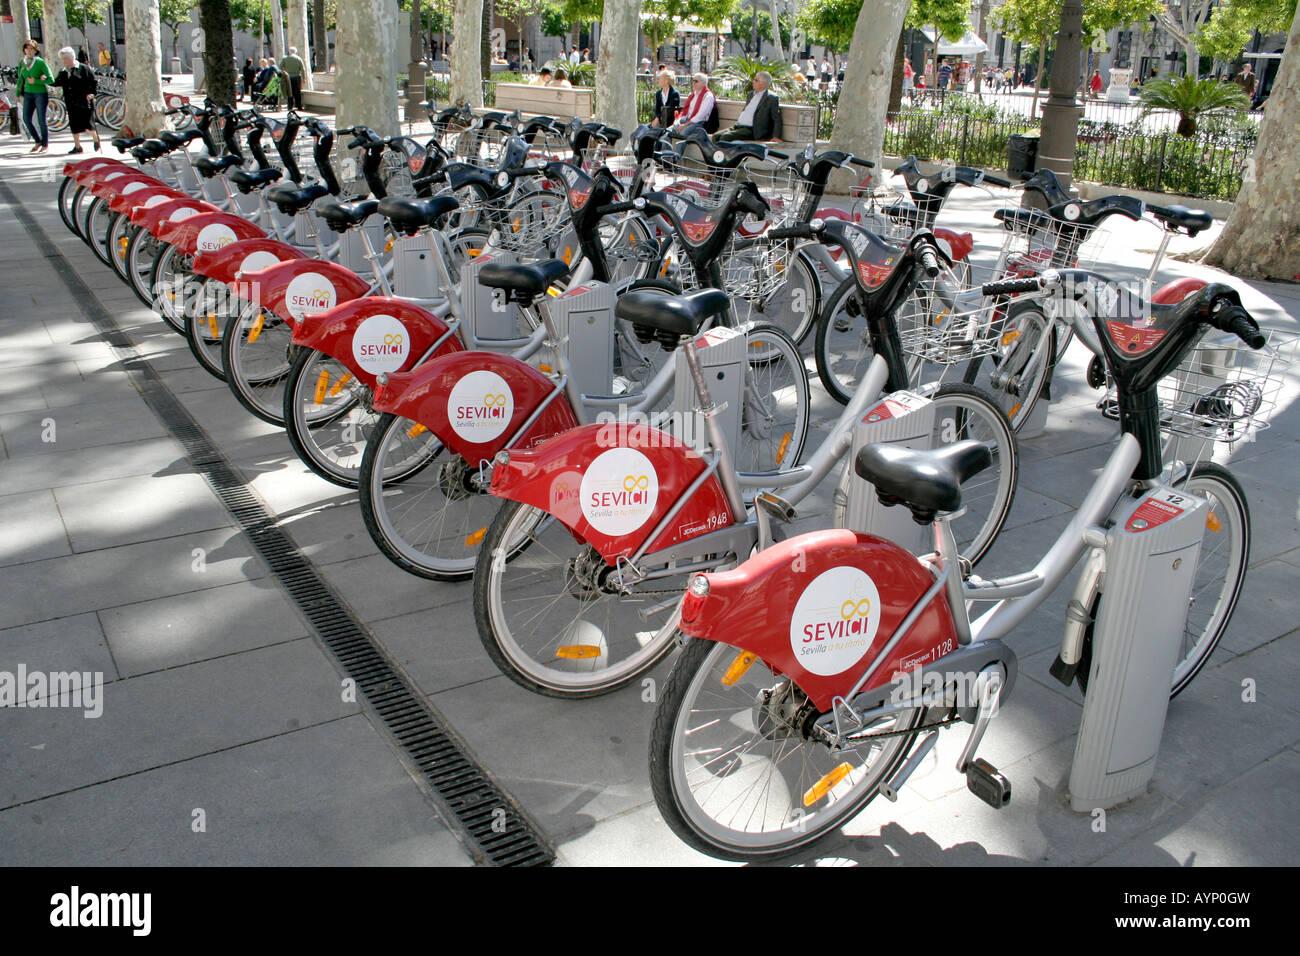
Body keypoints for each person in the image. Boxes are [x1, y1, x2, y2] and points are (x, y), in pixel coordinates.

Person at [53, 46, 100, 154]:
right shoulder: (63, 71)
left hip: (84, 101)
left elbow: (93, 82)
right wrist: (45, 79)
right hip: (70, 101)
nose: (64, 61)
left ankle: (95, 138)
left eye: (66, 58)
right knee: (74, 125)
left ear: (72, 57)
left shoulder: (83, 68)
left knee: (88, 125)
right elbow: (56, 82)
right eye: (63, 59)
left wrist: (92, 93)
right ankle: (77, 146)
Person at [715, 69, 782, 142]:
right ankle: (717, 153)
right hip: (738, 126)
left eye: (756, 80)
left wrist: (776, 136)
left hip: (752, 130)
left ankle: (725, 153)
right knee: (716, 136)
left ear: (764, 83)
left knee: (726, 137)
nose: (753, 82)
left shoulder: (771, 98)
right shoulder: (750, 94)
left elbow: (776, 118)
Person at [17, 40, 54, 153]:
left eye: (31, 49)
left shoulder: (40, 62)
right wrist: (17, 94)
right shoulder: (22, 62)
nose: (29, 51)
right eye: (27, 48)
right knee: (26, 119)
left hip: (40, 94)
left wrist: (36, 81)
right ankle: (37, 141)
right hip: (28, 94)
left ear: (35, 50)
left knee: (41, 120)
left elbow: (50, 79)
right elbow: (20, 79)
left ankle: (45, 144)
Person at [279, 45, 306, 110]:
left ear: (289, 51)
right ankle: (299, 106)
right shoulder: (298, 58)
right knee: (297, 91)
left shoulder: (285, 58)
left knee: (289, 92)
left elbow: (280, 67)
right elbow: (303, 69)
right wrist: (303, 77)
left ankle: (290, 106)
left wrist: (285, 70)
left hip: (288, 77)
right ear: (295, 52)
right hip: (297, 77)